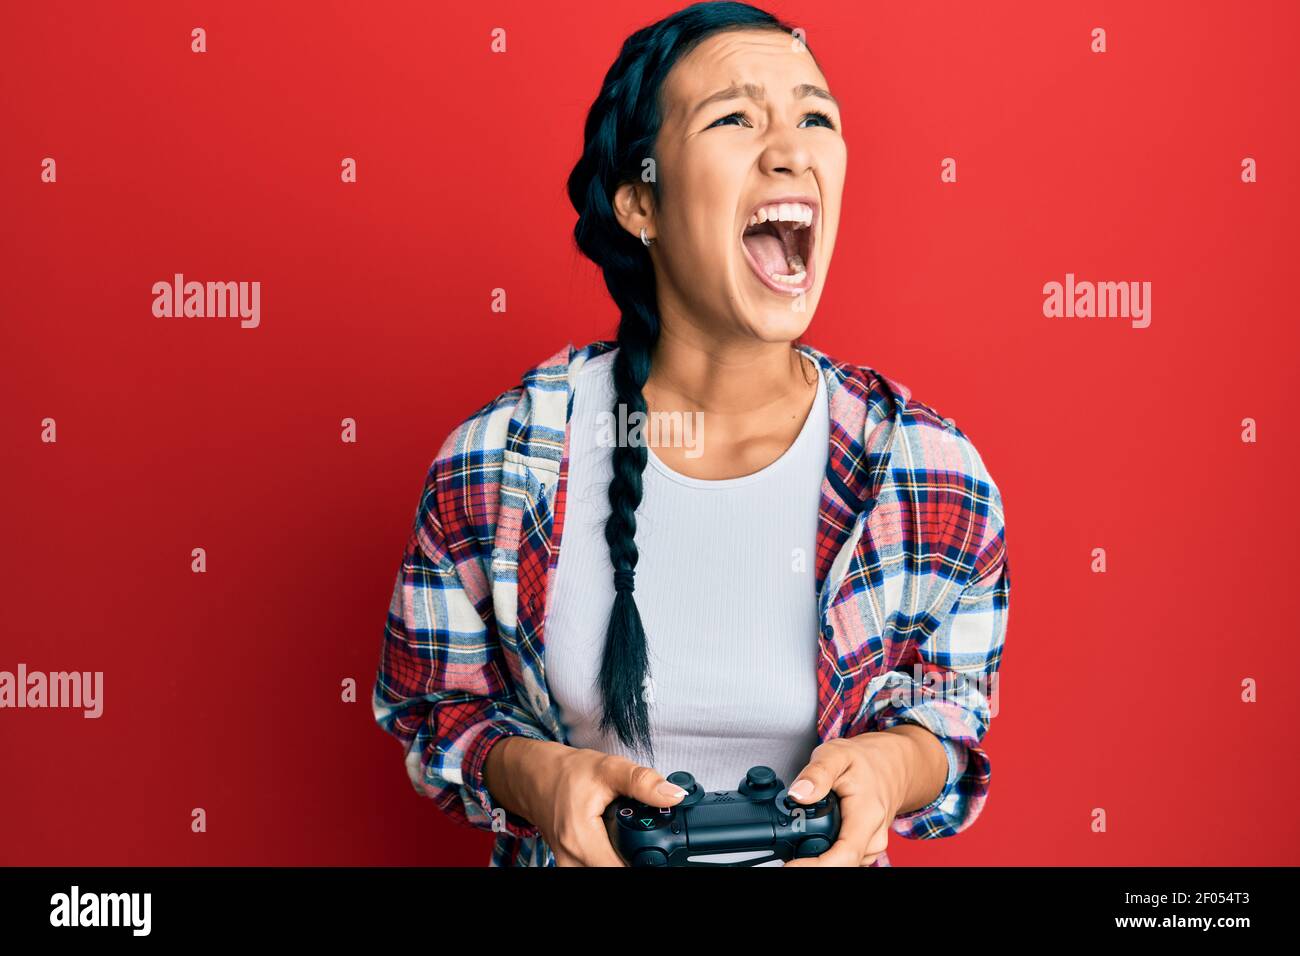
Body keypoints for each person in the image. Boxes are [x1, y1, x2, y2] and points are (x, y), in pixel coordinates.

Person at [373, 1, 1010, 867]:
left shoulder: (927, 473)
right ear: (641, 202)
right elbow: (435, 710)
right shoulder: (499, 464)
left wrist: (893, 767)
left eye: (815, 115)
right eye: (737, 117)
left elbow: (950, 716)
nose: (790, 148)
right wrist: (535, 776)